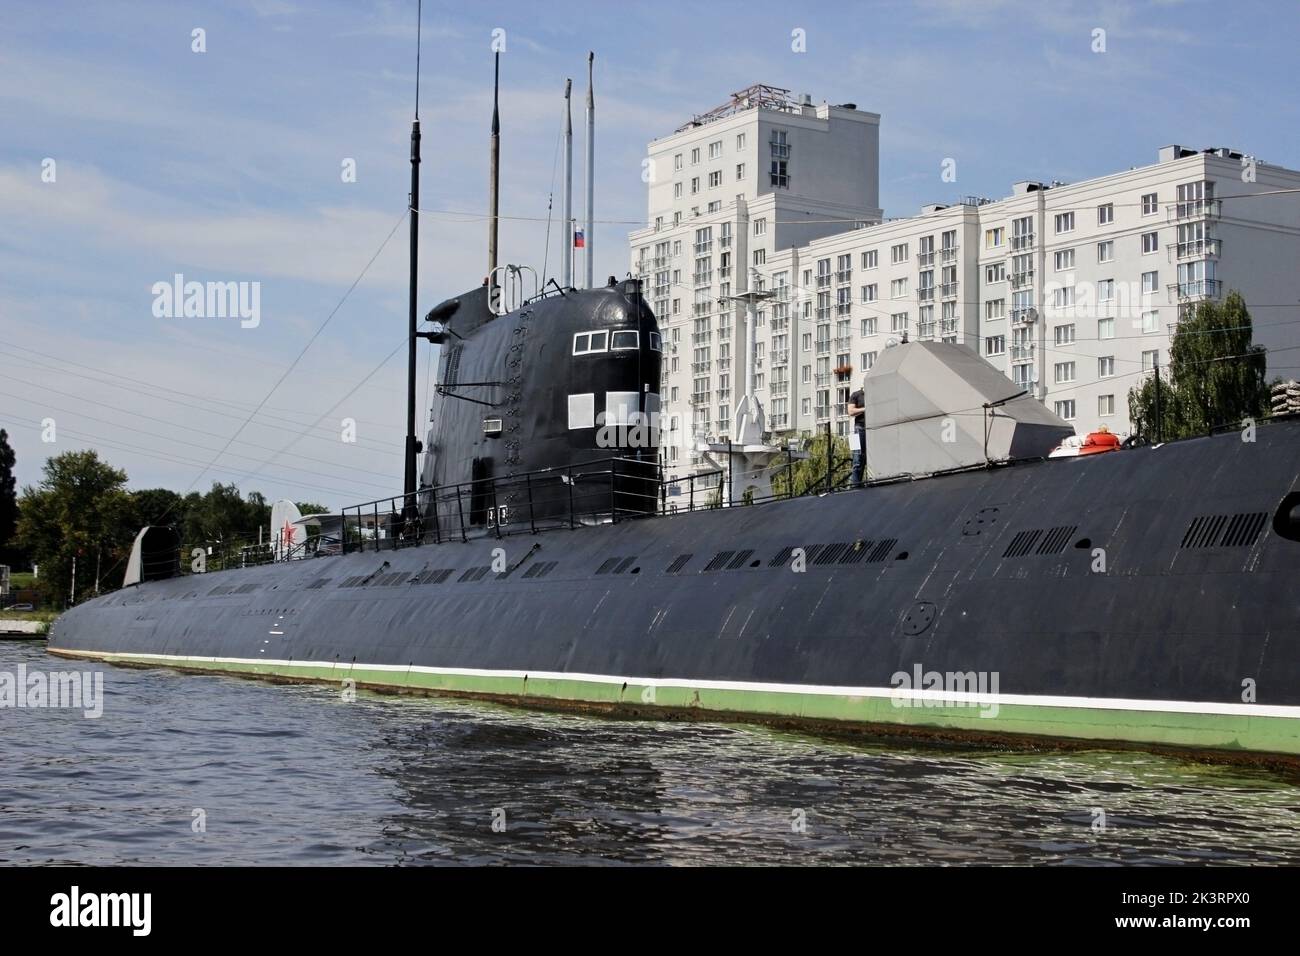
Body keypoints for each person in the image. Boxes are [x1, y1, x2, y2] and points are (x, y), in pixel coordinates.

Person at [848, 376, 868, 488]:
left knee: (868, 457)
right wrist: (865, 408)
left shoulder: (874, 394)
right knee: (857, 458)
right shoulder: (856, 394)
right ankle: (855, 485)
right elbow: (850, 411)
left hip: (872, 428)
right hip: (859, 429)